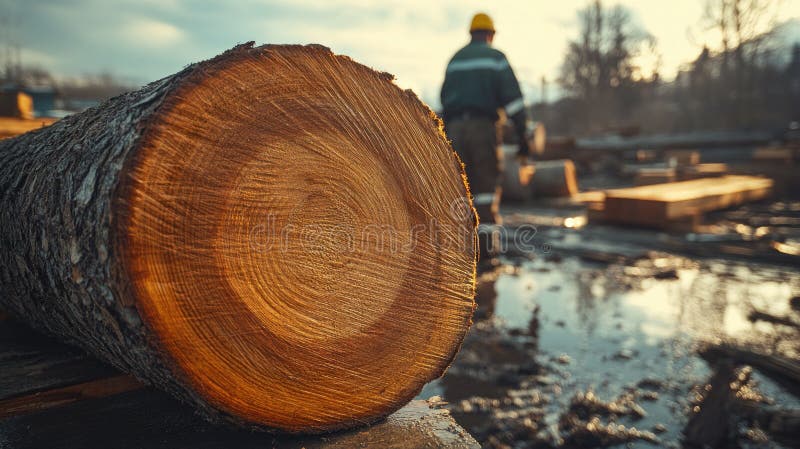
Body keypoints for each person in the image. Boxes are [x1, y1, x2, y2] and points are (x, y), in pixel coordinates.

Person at [440, 12, 530, 265]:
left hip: (455, 128)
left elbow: (445, 98)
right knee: (486, 189)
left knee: (458, 187)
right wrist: (523, 133)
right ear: (490, 34)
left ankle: (457, 254)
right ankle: (487, 253)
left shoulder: (455, 60)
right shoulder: (496, 59)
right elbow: (513, 100)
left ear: (471, 34)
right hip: (483, 128)